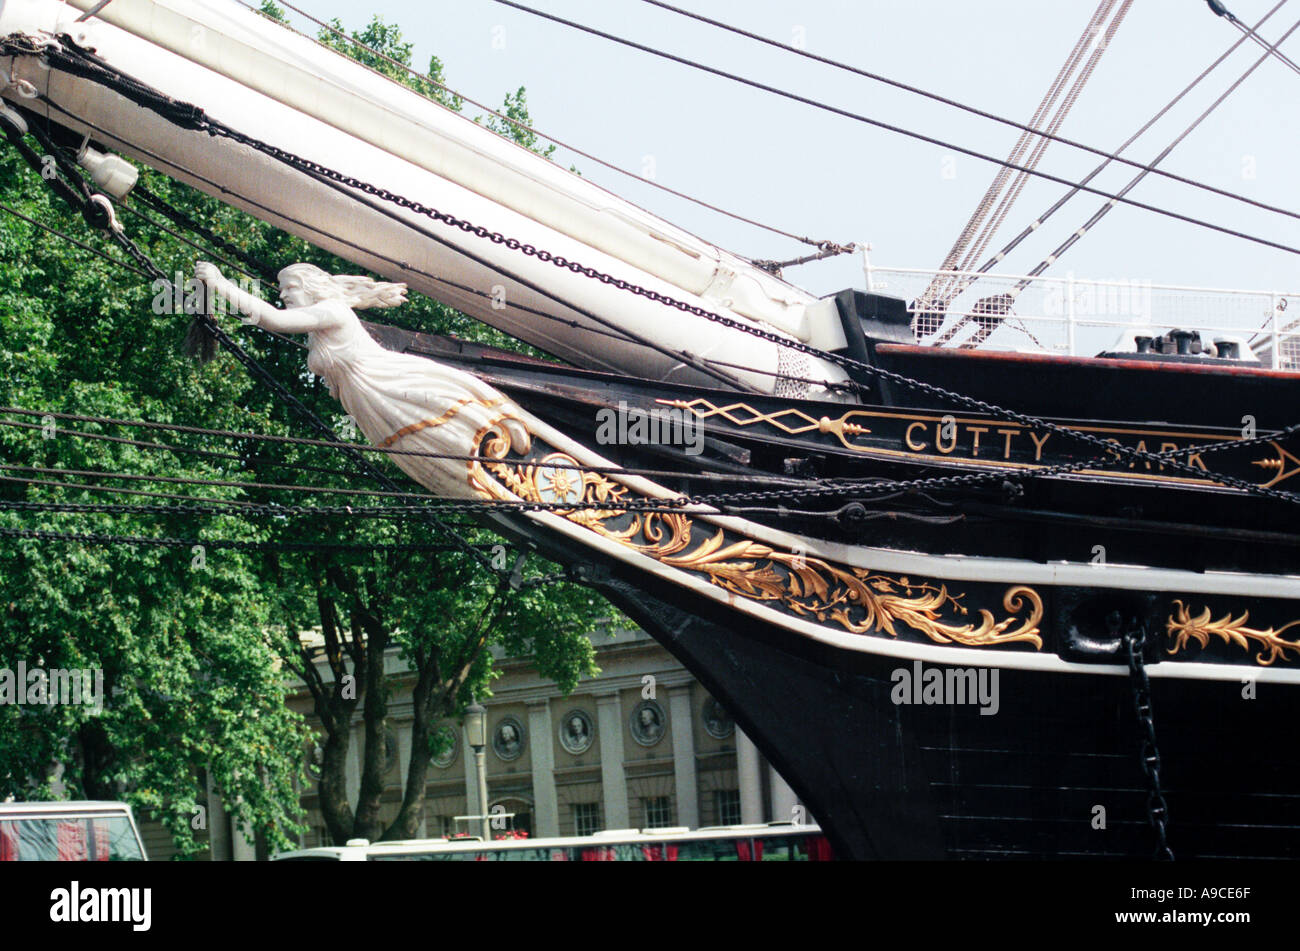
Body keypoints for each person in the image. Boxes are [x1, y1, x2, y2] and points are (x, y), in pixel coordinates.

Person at [194, 261, 530, 496]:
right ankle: (491, 480)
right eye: (282, 289)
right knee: (428, 457)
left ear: (313, 288)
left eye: (289, 287)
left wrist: (221, 284)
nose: (283, 294)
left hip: (387, 385)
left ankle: (504, 472)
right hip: (369, 403)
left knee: (449, 435)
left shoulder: (333, 311)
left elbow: (275, 320)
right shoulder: (317, 328)